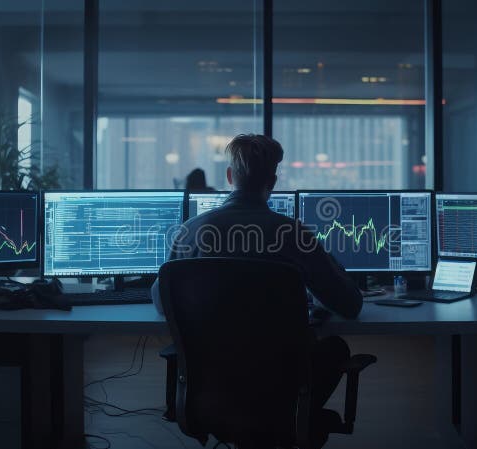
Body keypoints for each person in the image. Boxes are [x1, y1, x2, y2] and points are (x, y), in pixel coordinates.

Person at [151, 133, 362, 432]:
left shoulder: (190, 231)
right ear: (272, 183)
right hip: (281, 387)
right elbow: (350, 305)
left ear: (228, 176)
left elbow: (163, 302)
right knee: (336, 348)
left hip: (213, 389)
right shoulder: (294, 234)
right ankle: (287, 415)